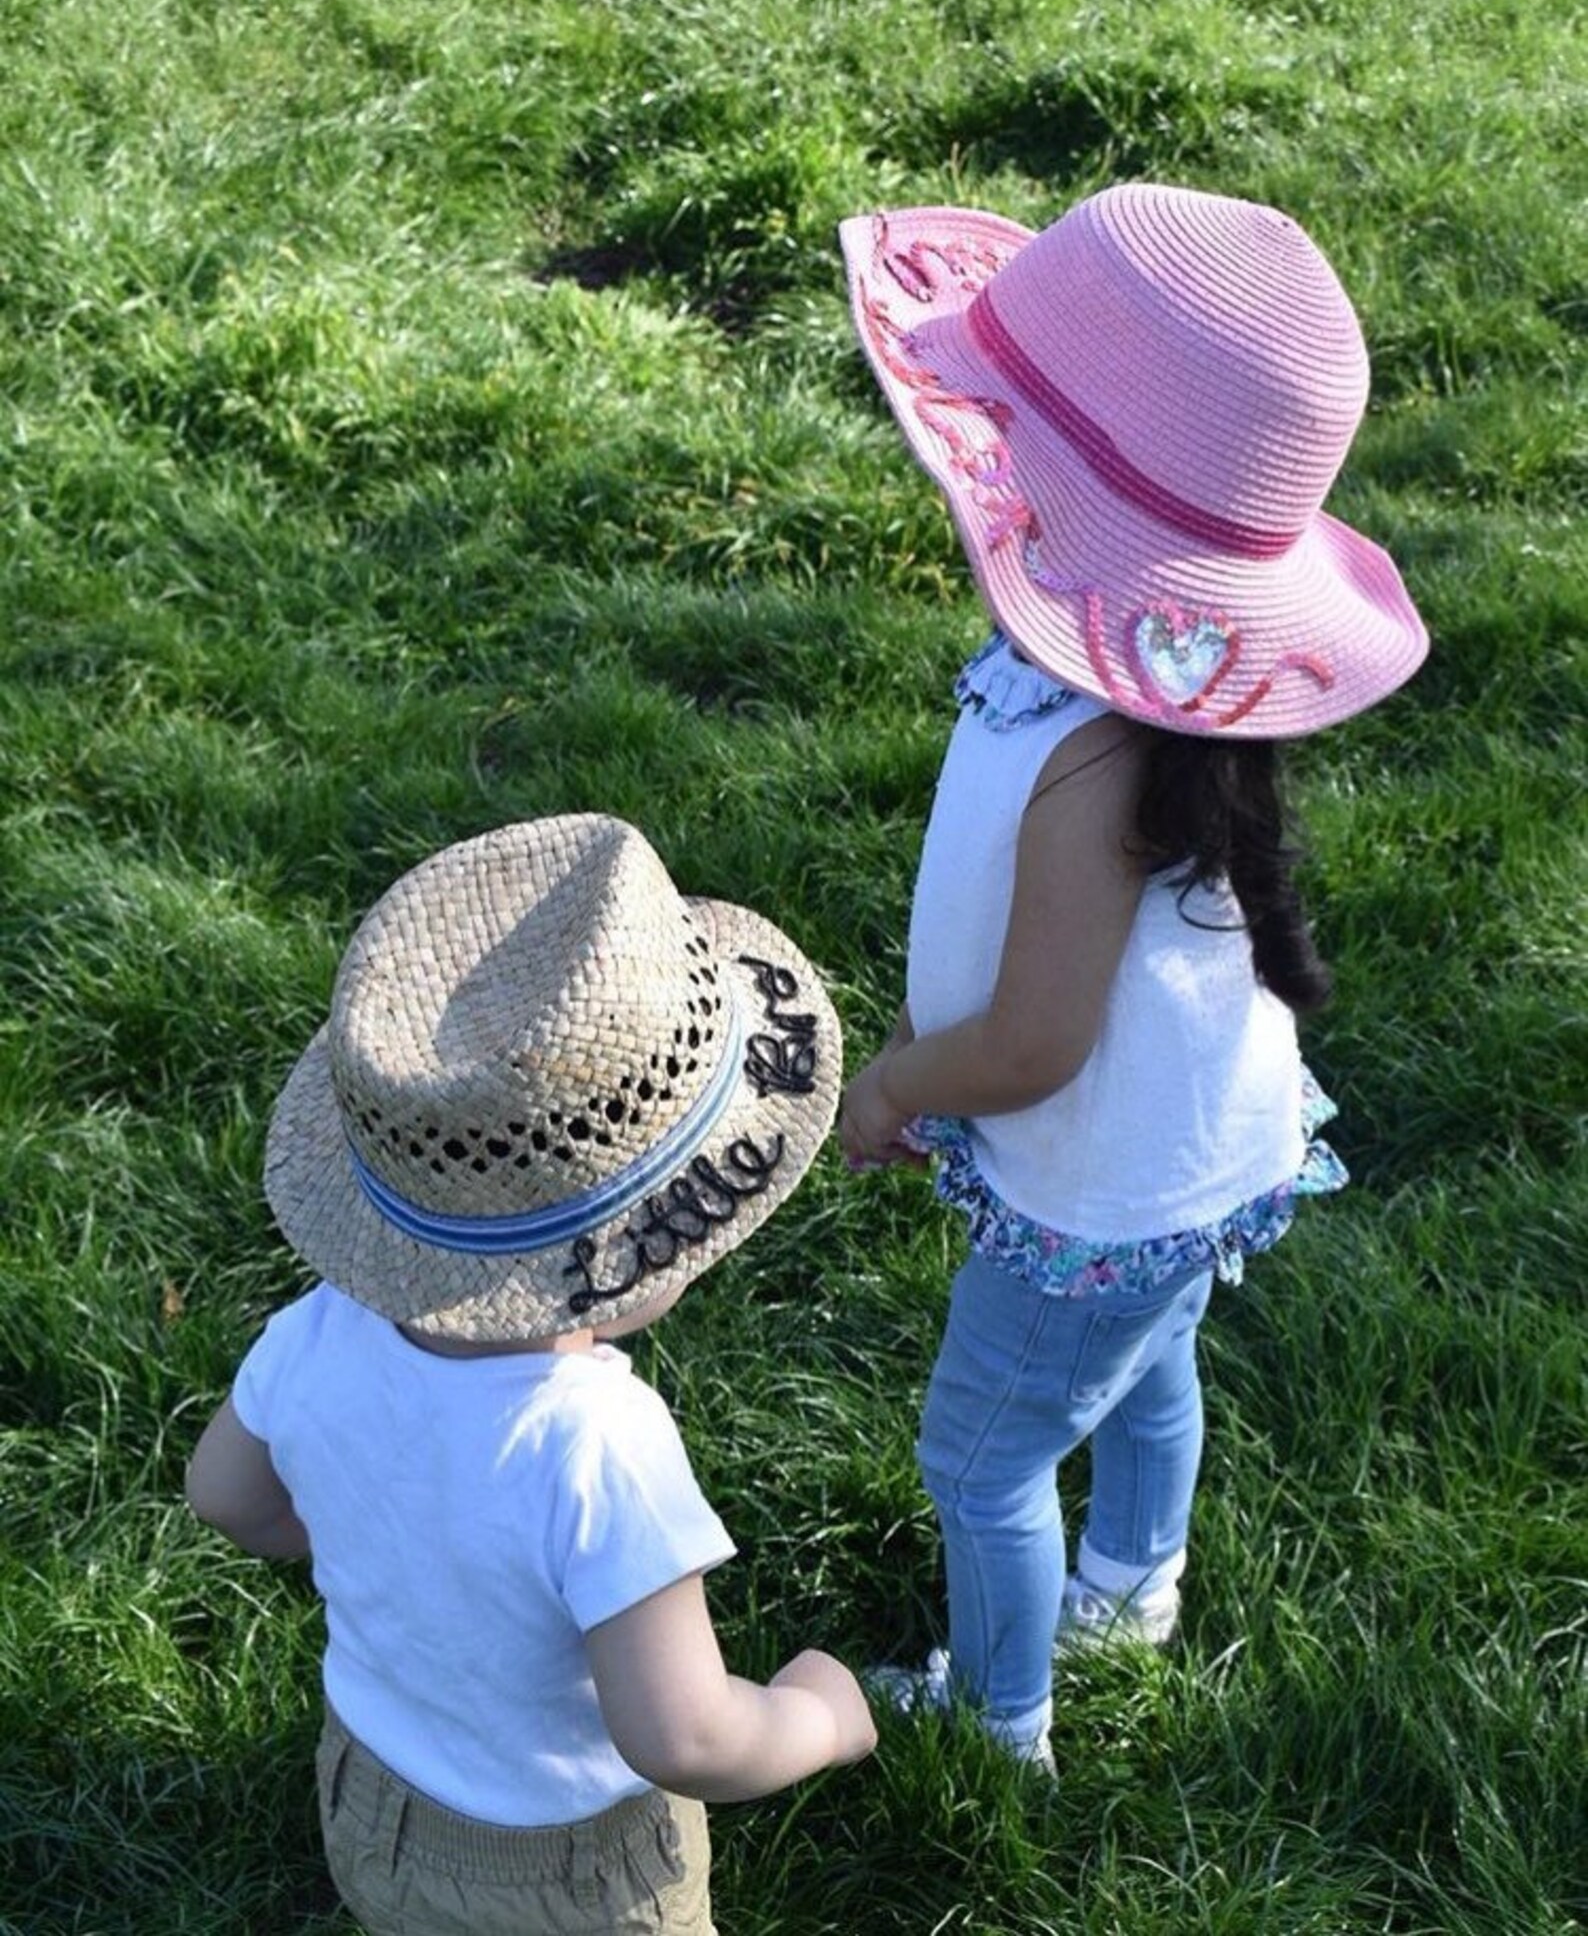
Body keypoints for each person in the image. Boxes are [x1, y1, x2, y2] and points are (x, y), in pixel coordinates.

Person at [835, 183, 1428, 1770]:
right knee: (1152, 1359)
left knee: (981, 1453)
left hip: (1096, 1178)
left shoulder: (1093, 755)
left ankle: (996, 1723)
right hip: (1185, 1152)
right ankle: (1133, 1588)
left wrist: (897, 1080)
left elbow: (1032, 1043)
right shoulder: (1120, 703)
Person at [186, 814, 875, 1935]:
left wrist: (387, 1533)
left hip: (374, 1806)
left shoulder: (322, 1328)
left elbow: (223, 1494)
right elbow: (684, 1736)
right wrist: (818, 1713)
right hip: (573, 1877)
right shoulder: (596, 1440)